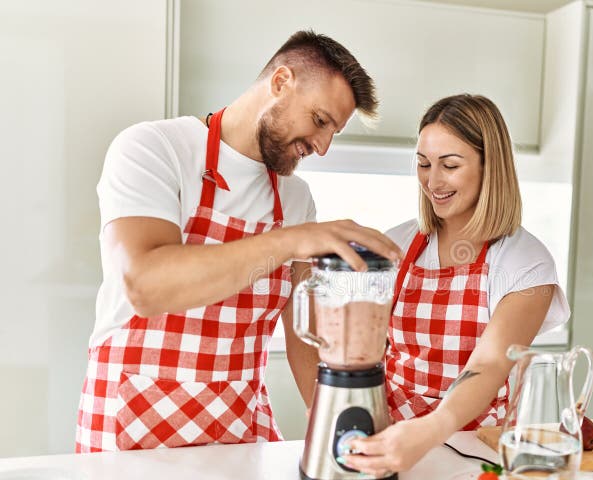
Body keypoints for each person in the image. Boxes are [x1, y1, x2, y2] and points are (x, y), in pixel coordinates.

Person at [75, 30, 401, 453]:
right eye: (320, 121)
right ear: (281, 82)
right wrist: (293, 240)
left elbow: (303, 335)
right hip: (133, 427)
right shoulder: (155, 149)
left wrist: (330, 424)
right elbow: (146, 286)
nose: (322, 147)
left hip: (237, 427)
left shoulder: (295, 199)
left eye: (333, 133)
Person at [341, 94, 570, 475]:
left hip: (479, 453)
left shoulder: (525, 261)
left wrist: (429, 430)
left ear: (489, 166)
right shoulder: (395, 245)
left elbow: (490, 363)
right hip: (389, 442)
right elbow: (365, 350)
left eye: (449, 165)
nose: (432, 181)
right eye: (423, 164)